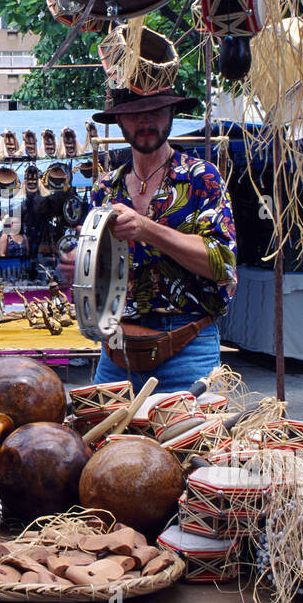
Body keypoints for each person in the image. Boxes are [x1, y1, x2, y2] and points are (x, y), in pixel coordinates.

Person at [61, 88, 238, 393]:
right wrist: (81, 266)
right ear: (119, 121)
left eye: (155, 111)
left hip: (187, 346)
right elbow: (104, 272)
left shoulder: (202, 177)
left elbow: (223, 264)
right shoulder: (106, 188)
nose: (145, 121)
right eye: (134, 114)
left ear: (171, 114)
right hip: (118, 348)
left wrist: (147, 229)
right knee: (104, 426)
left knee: (187, 427)